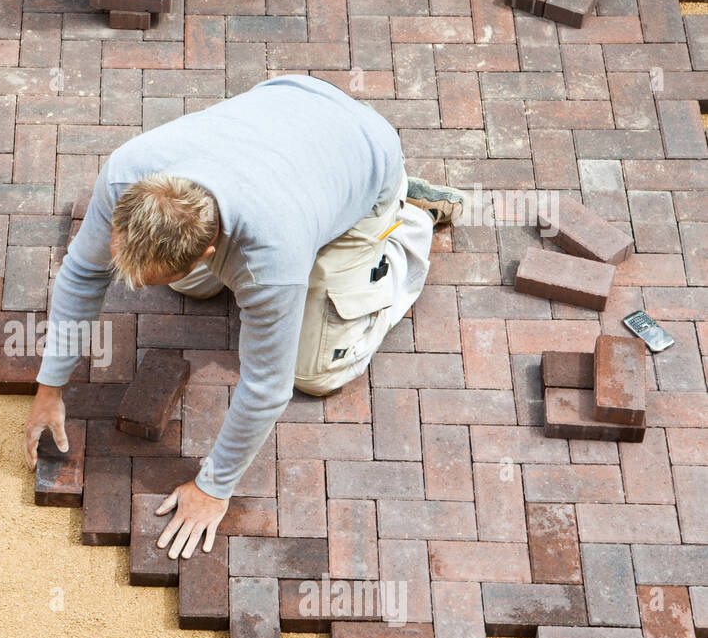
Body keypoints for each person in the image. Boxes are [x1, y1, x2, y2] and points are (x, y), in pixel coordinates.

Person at [23, 75, 465, 562]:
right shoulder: (128, 173)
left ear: (207, 250)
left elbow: (266, 387)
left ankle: (407, 218)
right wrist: (50, 387)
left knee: (314, 373)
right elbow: (82, 275)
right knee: (187, 288)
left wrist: (213, 488)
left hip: (364, 159)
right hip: (291, 107)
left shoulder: (272, 256)